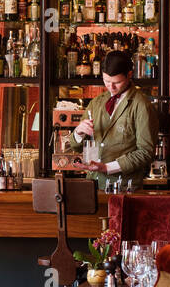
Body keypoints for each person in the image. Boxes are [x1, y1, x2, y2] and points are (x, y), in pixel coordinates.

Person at [62, 49, 158, 190]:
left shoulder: (142, 105)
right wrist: (78, 132)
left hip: (124, 188)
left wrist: (107, 167)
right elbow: (75, 147)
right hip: (92, 185)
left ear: (129, 75)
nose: (110, 87)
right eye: (106, 81)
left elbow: (145, 152)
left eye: (117, 82)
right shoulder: (97, 103)